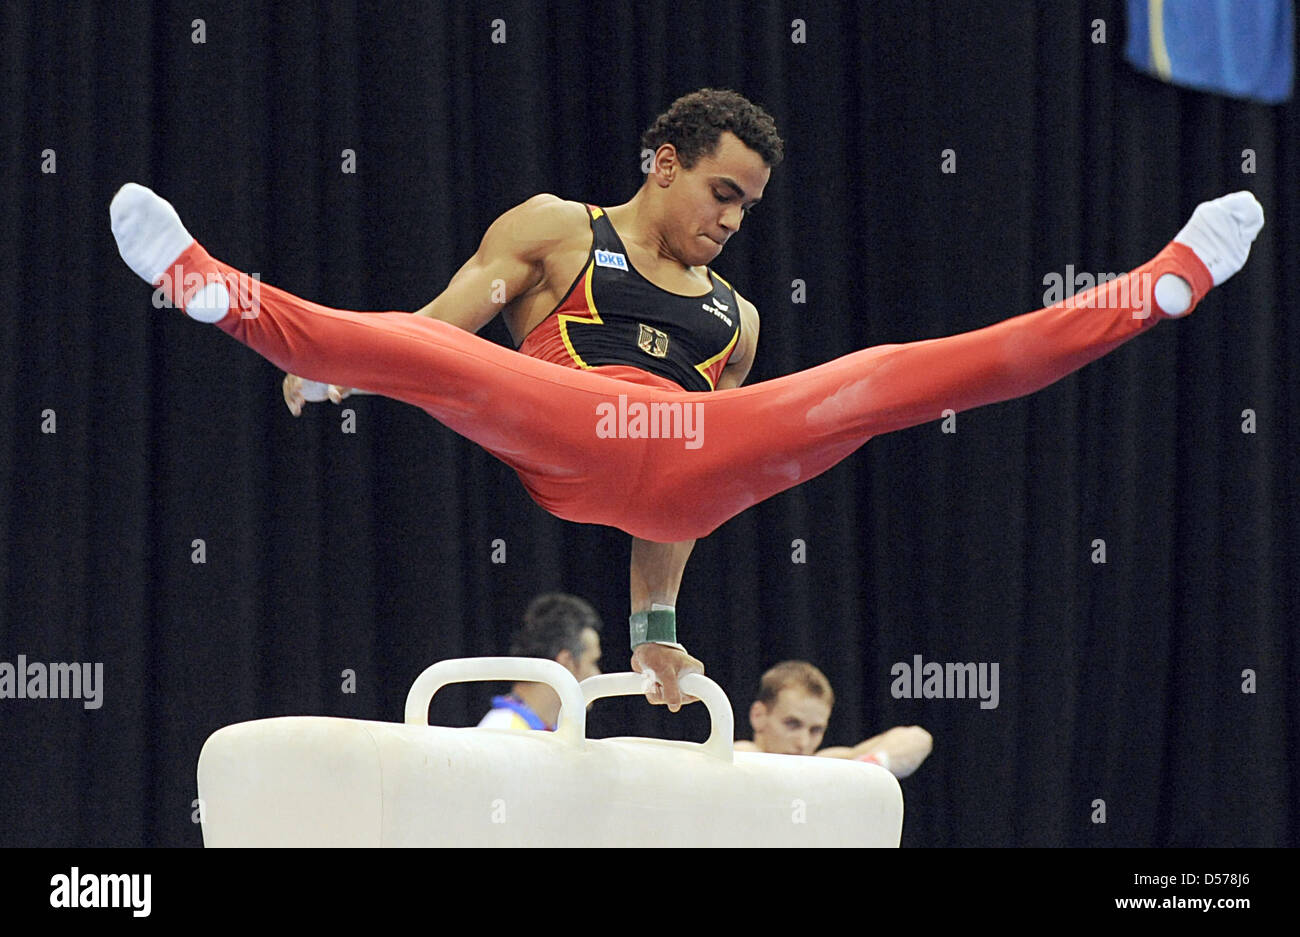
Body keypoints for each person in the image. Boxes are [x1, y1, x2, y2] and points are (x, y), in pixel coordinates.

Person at [109, 89, 1264, 712]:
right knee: (428, 358)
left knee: (897, 376)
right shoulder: (560, 228)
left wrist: (655, 636)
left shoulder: (738, 319)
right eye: (720, 191)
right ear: (663, 160)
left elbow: (676, 505)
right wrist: (358, 365)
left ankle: (1147, 292)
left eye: (749, 207)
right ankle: (218, 292)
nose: (730, 219)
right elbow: (449, 324)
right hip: (560, 426)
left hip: (683, 455)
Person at [734, 661, 932, 778]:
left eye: (816, 730)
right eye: (792, 724)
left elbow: (918, 738)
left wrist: (871, 766)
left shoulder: (822, 767)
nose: (803, 743)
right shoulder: (740, 754)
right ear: (758, 716)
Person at [477, 593, 603, 731]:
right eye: (593, 662)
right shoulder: (502, 731)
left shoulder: (553, 734)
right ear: (566, 662)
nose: (597, 674)